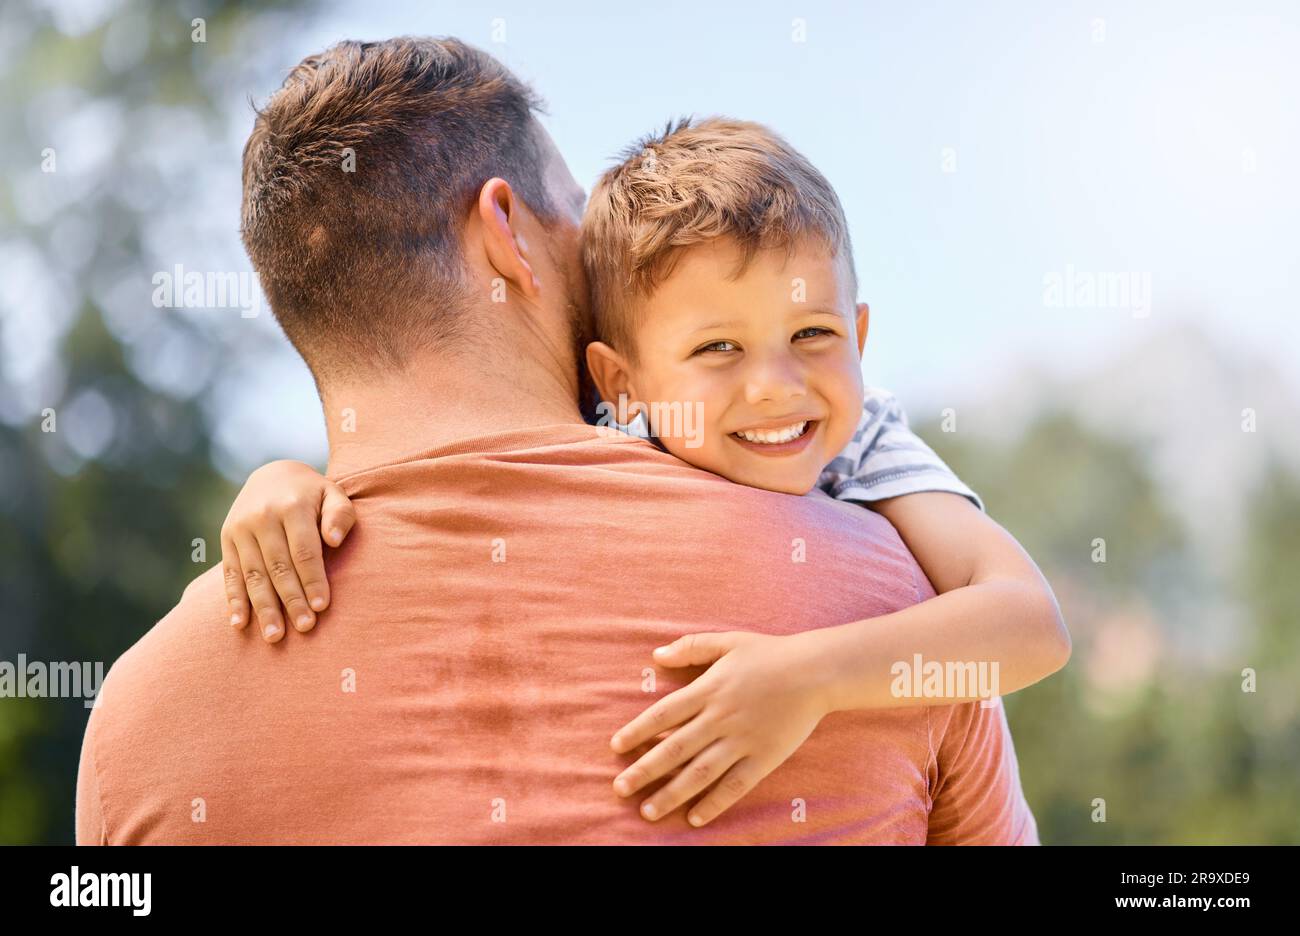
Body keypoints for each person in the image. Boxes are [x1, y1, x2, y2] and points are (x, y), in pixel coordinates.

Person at [77, 36, 1043, 844]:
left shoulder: (139, 718)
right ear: (507, 229)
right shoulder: (879, 587)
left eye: (813, 337)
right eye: (576, 214)